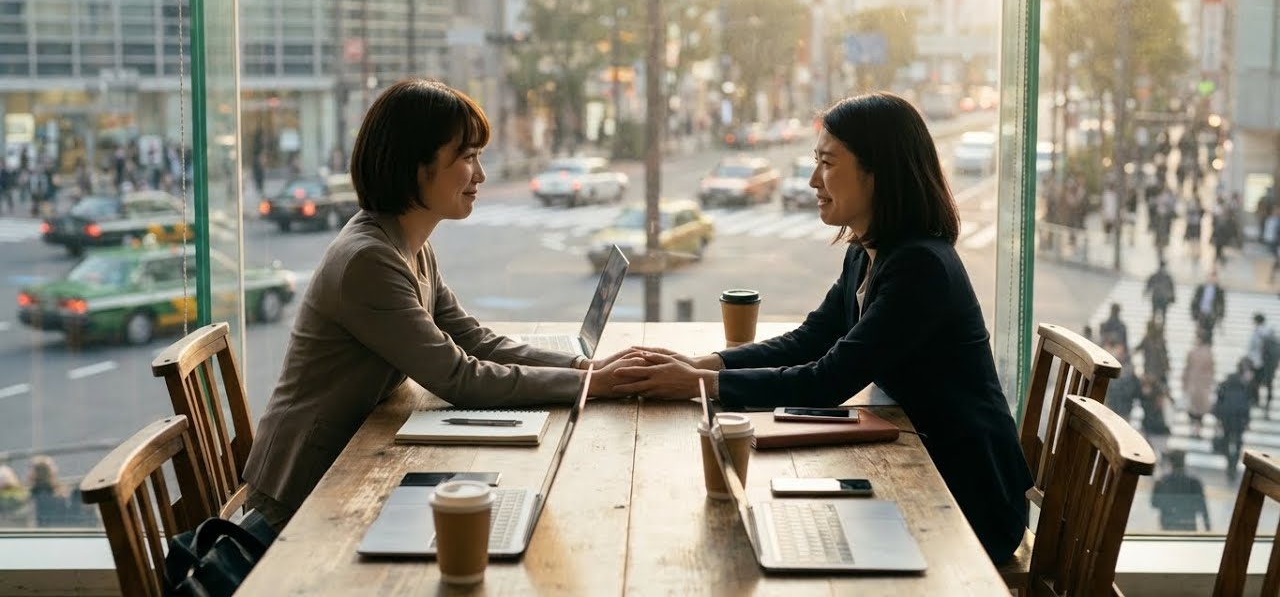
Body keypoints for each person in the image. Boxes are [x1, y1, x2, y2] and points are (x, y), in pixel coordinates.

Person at [602, 93, 1033, 564]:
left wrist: (699, 384)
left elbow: (828, 381)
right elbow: (810, 339)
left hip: (971, 498)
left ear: (879, 172)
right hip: (925, 463)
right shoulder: (869, 251)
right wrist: (703, 364)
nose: (812, 180)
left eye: (827, 163)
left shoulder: (921, 267)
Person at [242, 80, 645, 533]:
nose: (481, 175)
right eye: (468, 157)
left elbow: (473, 339)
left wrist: (580, 365)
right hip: (299, 495)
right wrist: (592, 384)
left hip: (347, 462)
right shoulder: (369, 260)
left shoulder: (407, 244)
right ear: (417, 166)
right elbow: (459, 377)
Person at [1150, 450, 1209, 531]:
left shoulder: (1162, 482)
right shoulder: (1194, 482)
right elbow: (1203, 509)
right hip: (1188, 526)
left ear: (1170, 463)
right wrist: (1208, 529)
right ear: (1184, 462)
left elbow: (1154, 503)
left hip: (1167, 525)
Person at [1213, 362, 1253, 479]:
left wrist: (1218, 419)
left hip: (1226, 420)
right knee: (1238, 442)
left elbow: (1218, 404)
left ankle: (1230, 462)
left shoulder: (1224, 385)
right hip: (1239, 421)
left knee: (1226, 440)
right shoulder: (1244, 387)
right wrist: (1247, 421)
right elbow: (1247, 406)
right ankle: (1233, 465)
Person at [1182, 328, 1216, 438]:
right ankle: (1198, 429)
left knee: (1193, 408)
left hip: (1194, 383)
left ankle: (1194, 428)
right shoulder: (1209, 353)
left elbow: (1187, 368)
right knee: (1200, 409)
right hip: (1203, 385)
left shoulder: (1192, 352)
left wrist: (1184, 382)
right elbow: (1212, 370)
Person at [1247, 313, 1279, 414]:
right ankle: (1268, 401)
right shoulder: (1270, 332)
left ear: (1256, 321)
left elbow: (1253, 348)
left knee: (1255, 382)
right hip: (1269, 363)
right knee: (1269, 383)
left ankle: (1255, 400)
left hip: (1258, 362)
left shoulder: (1257, 332)